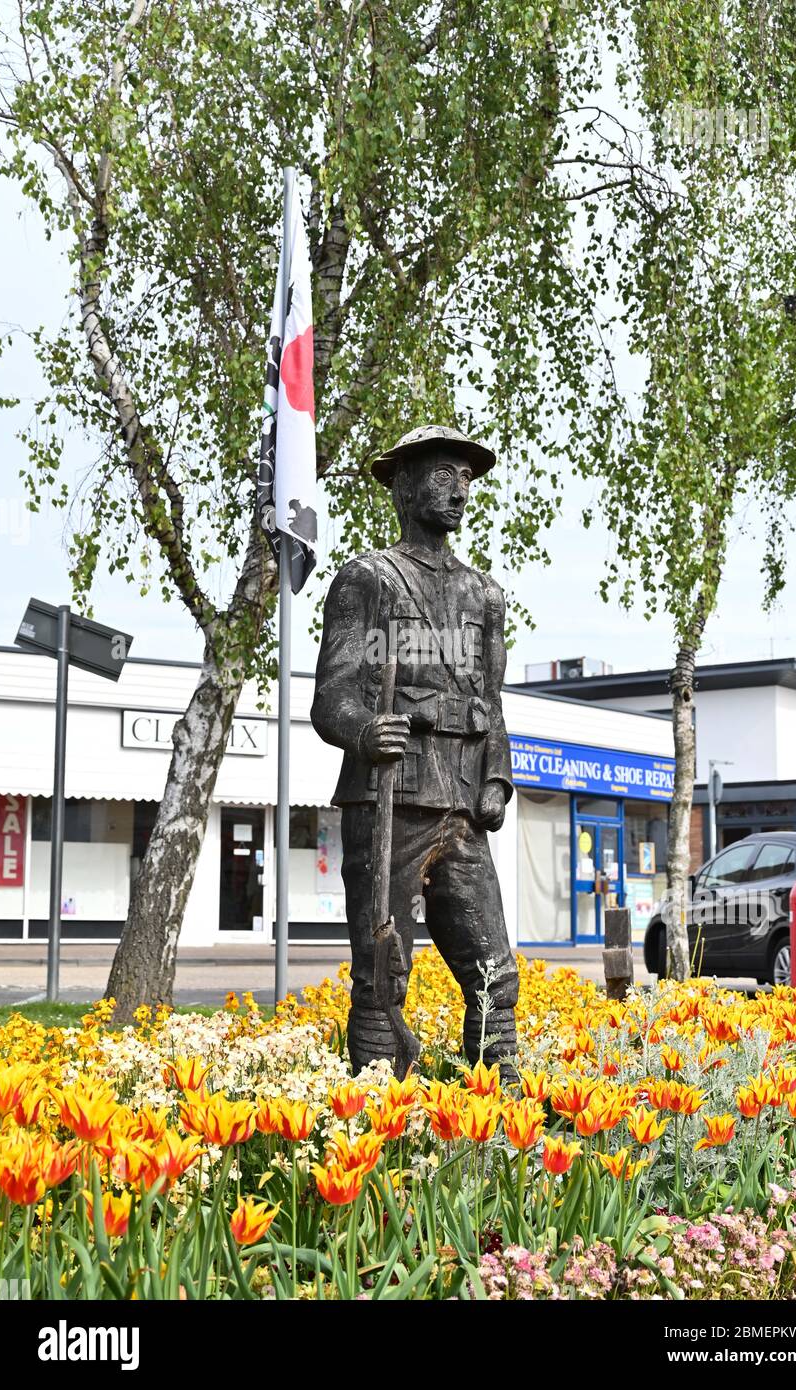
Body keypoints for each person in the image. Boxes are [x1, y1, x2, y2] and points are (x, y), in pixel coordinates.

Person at [311, 424, 519, 1076]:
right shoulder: (368, 581)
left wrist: (497, 777)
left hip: (461, 805)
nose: (459, 491)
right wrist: (365, 730)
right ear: (402, 486)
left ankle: (498, 1099)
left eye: (466, 478)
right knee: (381, 965)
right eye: (443, 475)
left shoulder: (484, 594)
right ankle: (375, 1102)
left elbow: (492, 699)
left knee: (493, 968)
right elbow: (332, 698)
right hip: (390, 798)